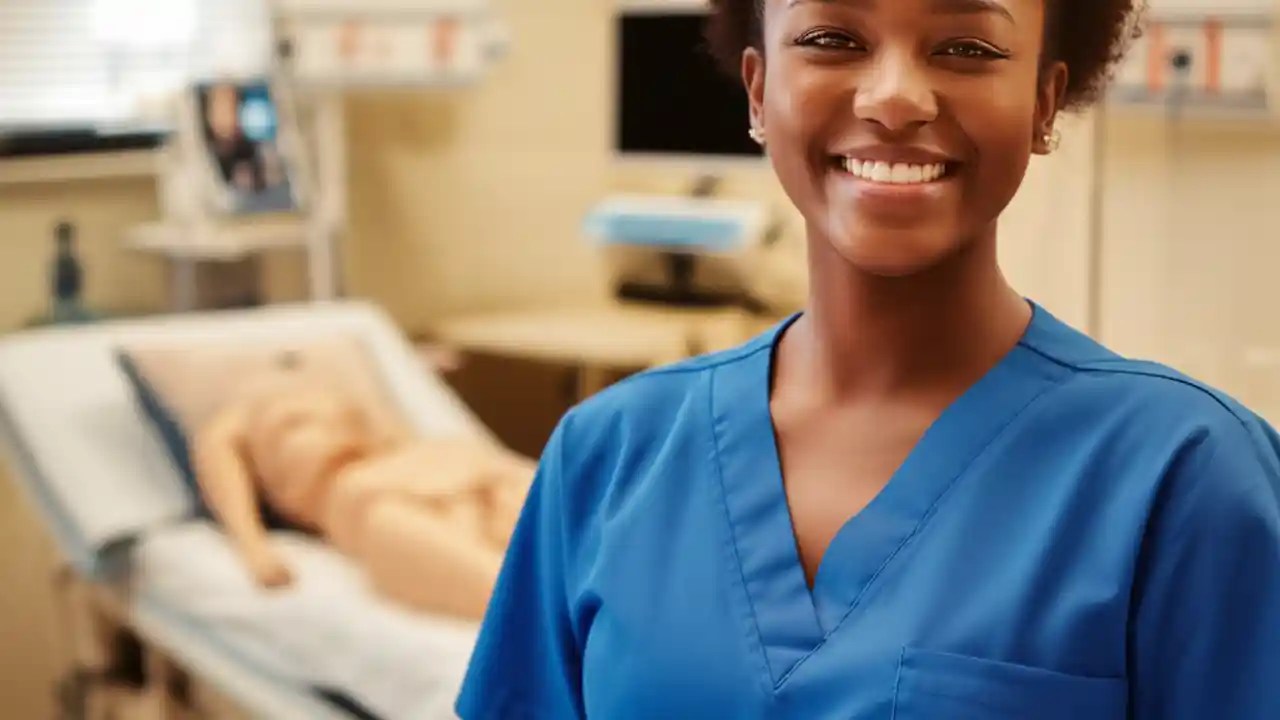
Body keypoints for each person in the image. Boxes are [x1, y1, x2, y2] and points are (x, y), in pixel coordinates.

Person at [457, 0, 1280, 718]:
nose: (893, 98)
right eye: (831, 37)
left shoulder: (1185, 477)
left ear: (1044, 101)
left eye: (967, 48)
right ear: (757, 90)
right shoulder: (606, 456)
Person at [192, 352, 534, 620]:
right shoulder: (241, 419)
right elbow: (221, 466)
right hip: (365, 493)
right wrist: (256, 552)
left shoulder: (335, 390)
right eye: (295, 426)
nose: (326, 426)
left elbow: (400, 435)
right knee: (392, 524)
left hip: (446, 464)